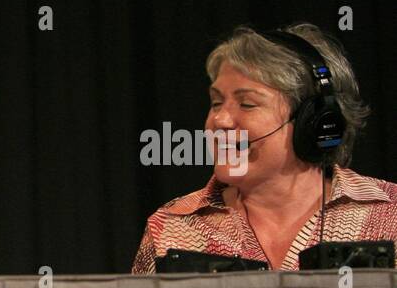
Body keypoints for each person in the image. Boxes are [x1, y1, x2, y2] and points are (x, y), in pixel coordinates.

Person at [132, 23, 394, 273]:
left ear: (313, 122)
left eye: (247, 104)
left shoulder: (389, 214)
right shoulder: (172, 226)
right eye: (216, 103)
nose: (220, 120)